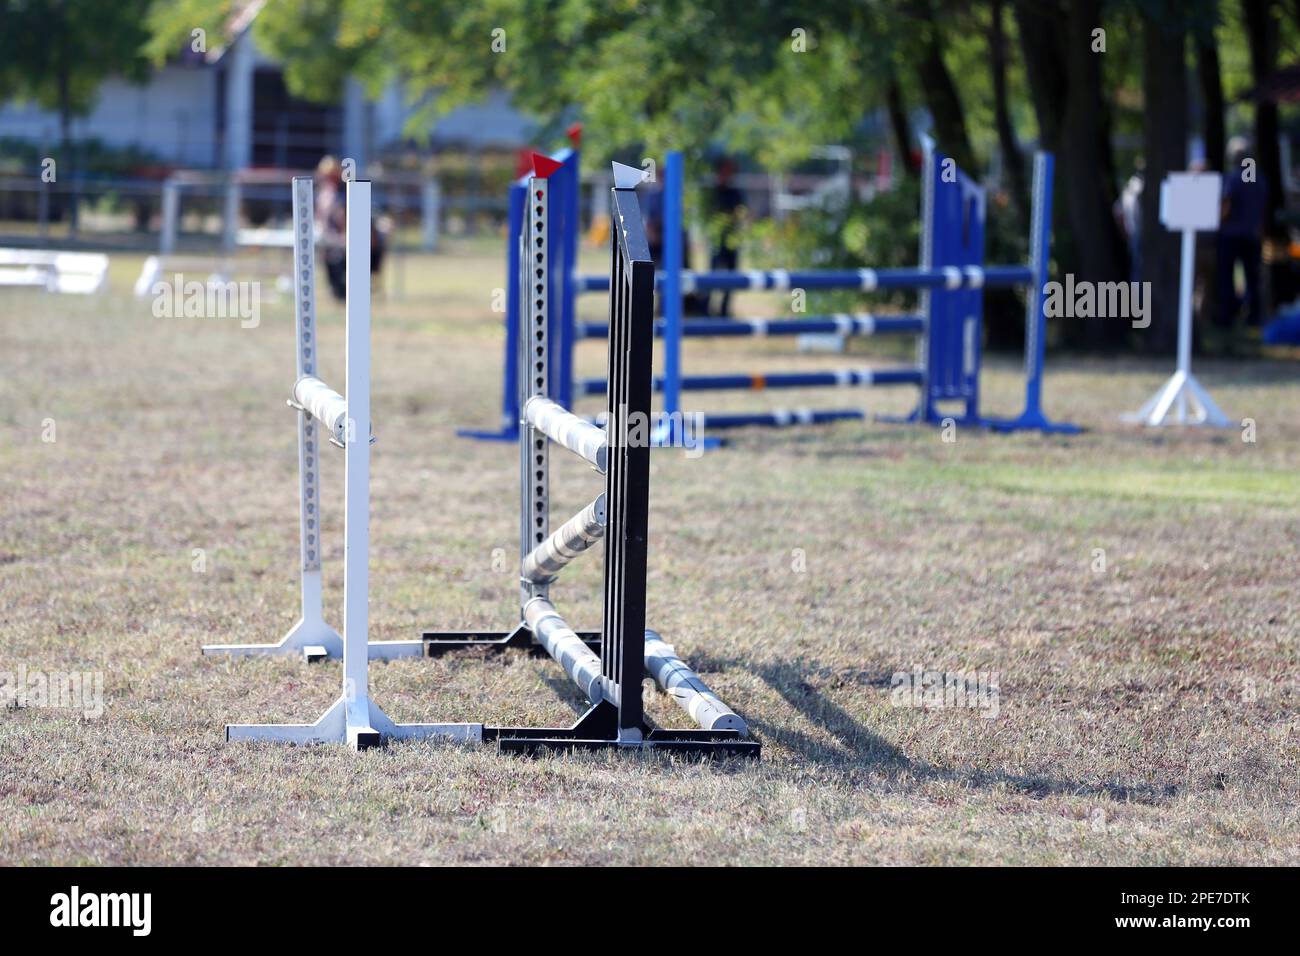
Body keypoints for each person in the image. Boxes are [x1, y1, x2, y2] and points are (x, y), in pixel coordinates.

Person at [314, 155, 386, 302]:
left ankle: (367, 280)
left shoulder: (345, 193)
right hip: (332, 240)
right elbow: (322, 220)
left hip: (347, 239)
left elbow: (349, 218)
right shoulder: (323, 195)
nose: (330, 178)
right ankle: (340, 288)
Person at [1217, 137, 1268, 328]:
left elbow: (1226, 205)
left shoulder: (1233, 177)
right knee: (1252, 278)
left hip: (1231, 235)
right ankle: (1254, 317)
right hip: (1252, 235)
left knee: (1227, 277)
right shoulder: (1259, 179)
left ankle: (1228, 316)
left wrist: (1218, 221)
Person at [707, 157, 745, 317]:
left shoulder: (735, 192)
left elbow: (740, 214)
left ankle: (724, 310)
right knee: (712, 276)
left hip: (732, 240)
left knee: (731, 276)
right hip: (717, 240)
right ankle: (706, 309)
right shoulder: (712, 192)